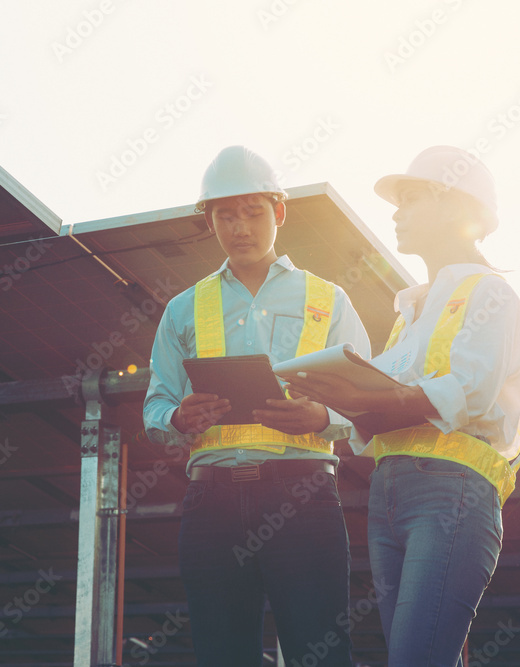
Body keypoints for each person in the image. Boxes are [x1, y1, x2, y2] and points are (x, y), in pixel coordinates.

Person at [281, 146, 520, 666]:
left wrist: (358, 399)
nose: (396, 212)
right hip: (391, 493)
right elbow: (380, 402)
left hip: (453, 492)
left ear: (456, 208)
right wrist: (326, 407)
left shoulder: (493, 295)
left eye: (411, 198)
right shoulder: (410, 311)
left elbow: (467, 392)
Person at [143, 145, 371, 666]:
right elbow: (157, 406)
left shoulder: (329, 299)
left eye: (252, 212)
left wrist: (322, 417)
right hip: (211, 505)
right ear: (209, 220)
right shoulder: (183, 308)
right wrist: (179, 418)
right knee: (221, 655)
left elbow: (365, 402)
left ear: (279, 213)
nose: (239, 227)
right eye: (225, 214)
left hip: (304, 497)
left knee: (321, 653)